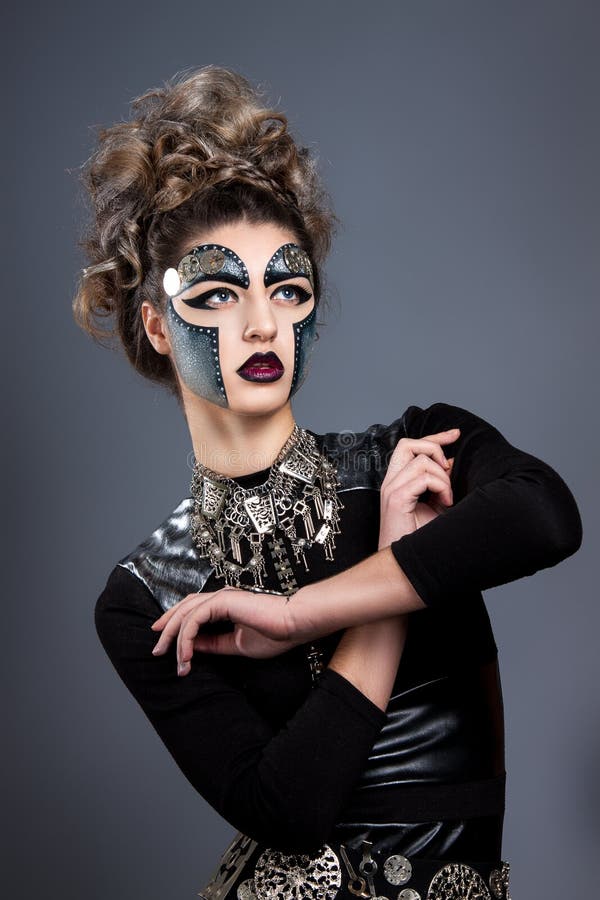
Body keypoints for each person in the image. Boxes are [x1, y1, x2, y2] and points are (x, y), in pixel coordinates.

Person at [73, 66, 582, 900]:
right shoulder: (149, 596)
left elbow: (547, 519)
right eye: (218, 294)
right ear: (158, 326)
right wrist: (386, 584)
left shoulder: (413, 454)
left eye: (287, 287)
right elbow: (288, 807)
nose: (262, 322)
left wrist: (297, 612)